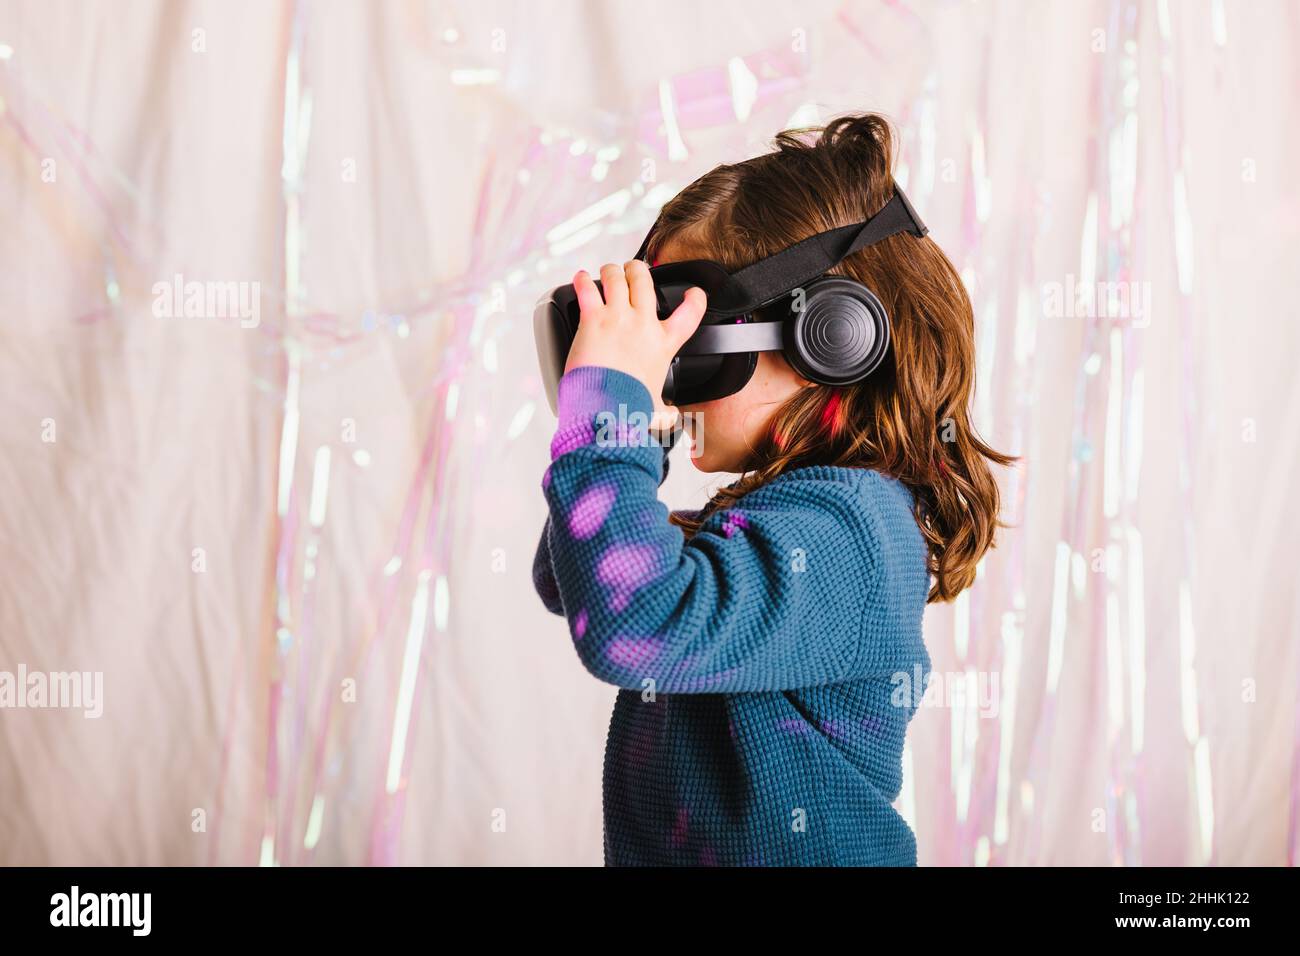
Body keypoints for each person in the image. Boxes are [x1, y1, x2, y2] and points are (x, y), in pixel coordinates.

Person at [532, 113, 1012, 865]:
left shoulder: (852, 529)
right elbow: (572, 579)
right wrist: (627, 421)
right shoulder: (780, 520)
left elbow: (633, 620)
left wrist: (612, 411)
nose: (665, 373)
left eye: (682, 343)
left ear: (833, 335)